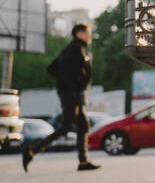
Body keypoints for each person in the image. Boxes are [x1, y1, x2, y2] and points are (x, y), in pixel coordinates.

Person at [22, 23, 100, 172]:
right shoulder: (73, 49)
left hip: (72, 93)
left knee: (83, 125)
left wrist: (69, 83)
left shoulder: (77, 49)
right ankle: (31, 151)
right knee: (66, 127)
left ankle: (83, 162)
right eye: (87, 33)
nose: (89, 36)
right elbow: (55, 69)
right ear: (79, 33)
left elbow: (54, 69)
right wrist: (71, 87)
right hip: (71, 94)